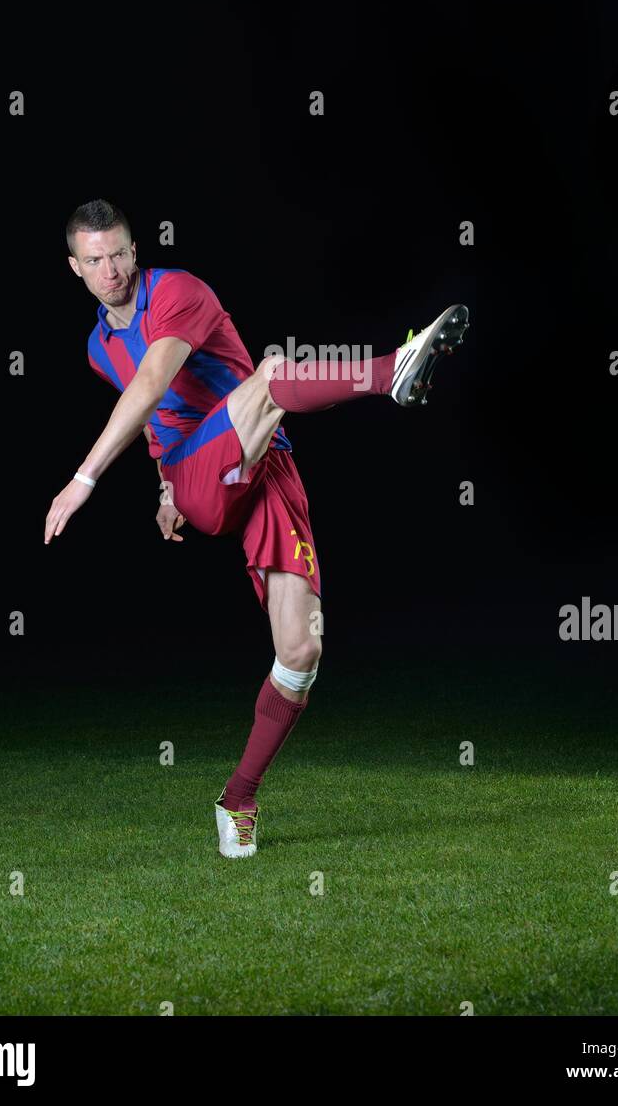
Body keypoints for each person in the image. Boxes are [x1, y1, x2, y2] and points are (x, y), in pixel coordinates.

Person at [44, 199, 468, 858]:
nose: (111, 269)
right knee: (272, 376)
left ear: (136, 249)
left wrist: (109, 476)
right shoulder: (100, 348)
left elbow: (157, 376)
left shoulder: (178, 291)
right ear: (75, 267)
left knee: (301, 653)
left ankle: (237, 798)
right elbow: (155, 402)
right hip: (200, 477)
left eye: (120, 253)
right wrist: (121, 480)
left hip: (265, 467)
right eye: (94, 259)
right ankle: (391, 370)